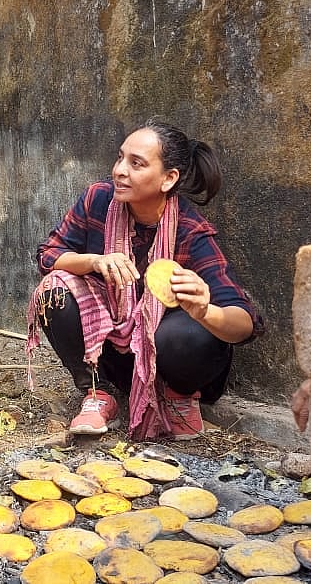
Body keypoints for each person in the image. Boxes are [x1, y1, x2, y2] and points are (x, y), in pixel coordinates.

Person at [25, 121, 263, 441]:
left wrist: (205, 310)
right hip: (112, 355)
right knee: (54, 290)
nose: (120, 170)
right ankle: (99, 392)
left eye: (136, 163)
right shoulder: (98, 199)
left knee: (188, 330)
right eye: (119, 158)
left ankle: (176, 397)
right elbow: (48, 254)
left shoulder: (190, 232)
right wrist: (94, 261)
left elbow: (245, 322)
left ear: (169, 179)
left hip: (166, 360)